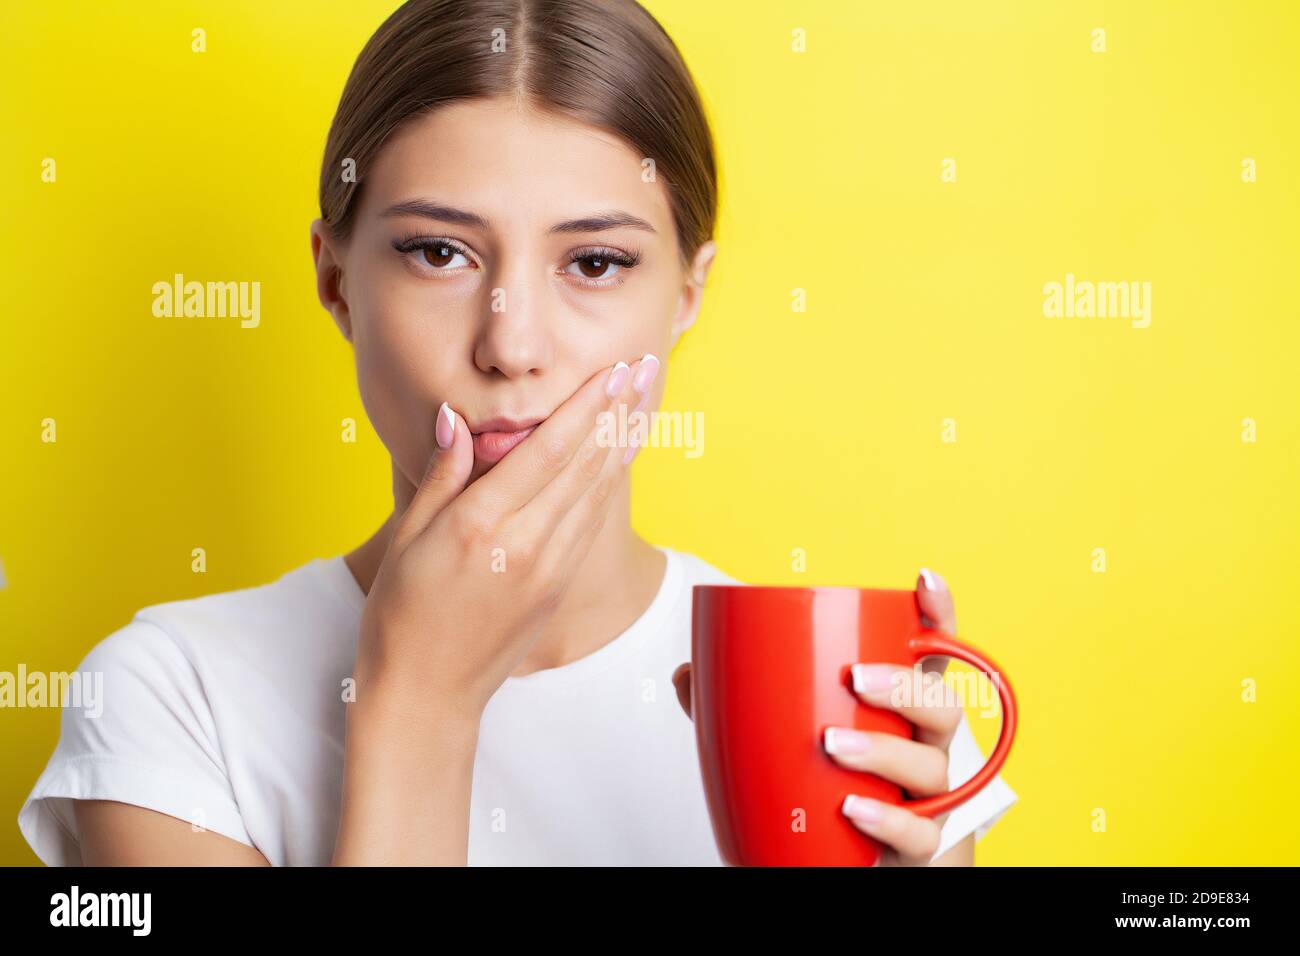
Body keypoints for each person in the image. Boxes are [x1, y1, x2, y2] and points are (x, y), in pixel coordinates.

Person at [18, 0, 1016, 866]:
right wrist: (418, 708)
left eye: (593, 264)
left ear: (688, 293)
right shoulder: (168, 698)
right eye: (439, 251)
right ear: (335, 279)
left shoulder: (850, 713)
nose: (511, 344)